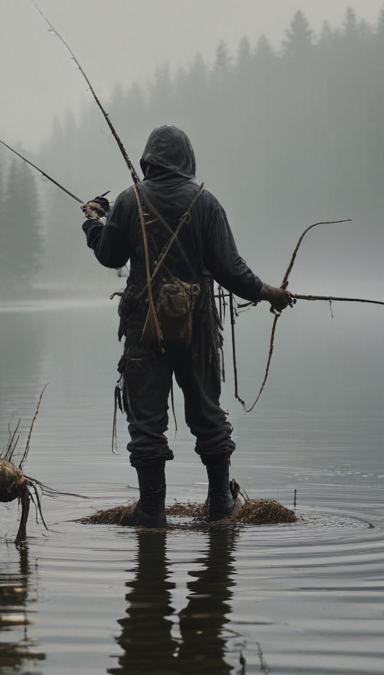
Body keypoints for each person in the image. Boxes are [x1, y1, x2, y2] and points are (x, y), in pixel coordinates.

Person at [81, 125, 293, 527]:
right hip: (197, 332)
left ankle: (150, 512)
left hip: (144, 330)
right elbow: (232, 271)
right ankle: (219, 507)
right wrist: (270, 294)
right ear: (187, 160)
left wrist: (94, 223)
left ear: (148, 160)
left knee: (146, 425)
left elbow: (110, 256)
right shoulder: (205, 203)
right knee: (208, 416)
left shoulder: (129, 200)